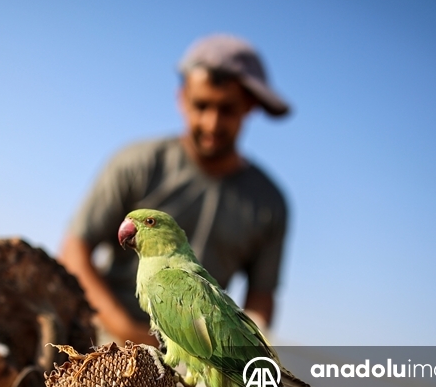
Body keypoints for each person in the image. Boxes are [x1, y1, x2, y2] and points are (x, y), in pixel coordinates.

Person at [59, 34, 291, 345]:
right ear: (181, 99)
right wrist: (127, 331)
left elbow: (261, 297)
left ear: (250, 107)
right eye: (201, 105)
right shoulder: (138, 163)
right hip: (105, 332)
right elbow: (75, 250)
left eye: (227, 109)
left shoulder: (269, 203)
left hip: (196, 349)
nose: (212, 122)